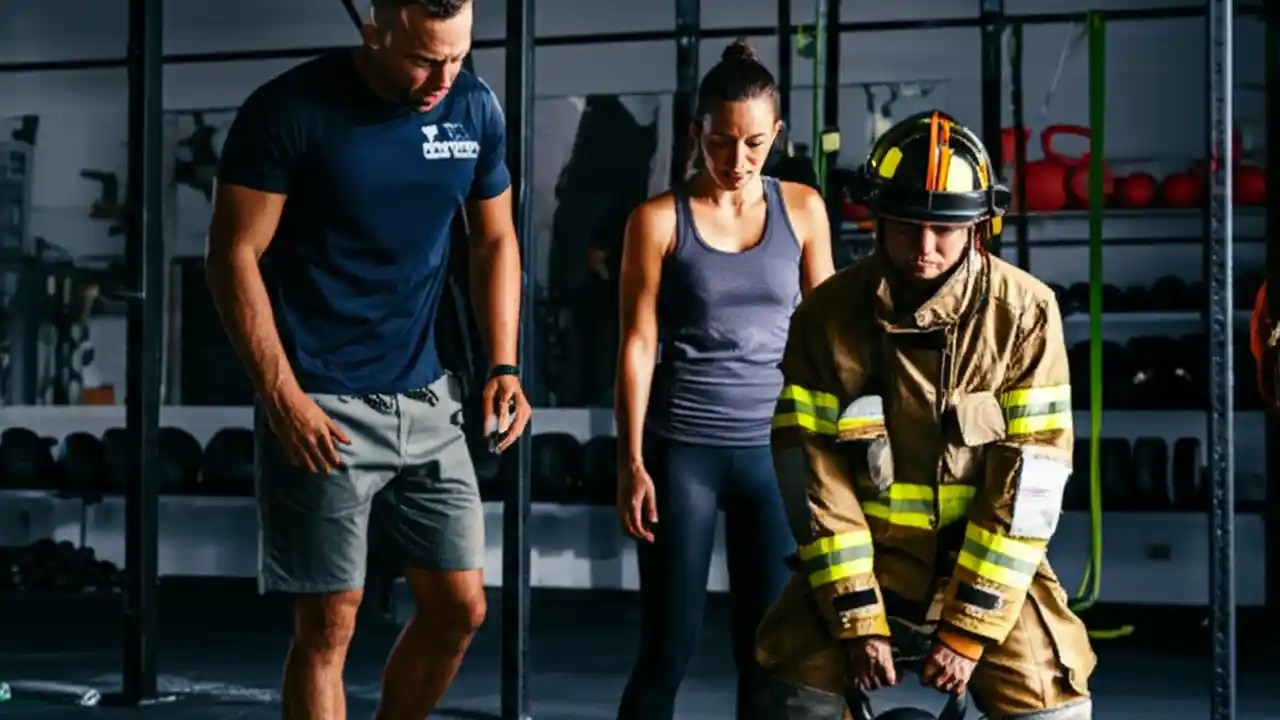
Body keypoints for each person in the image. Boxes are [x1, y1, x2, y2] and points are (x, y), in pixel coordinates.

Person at [204, 1, 532, 718]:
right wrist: (282, 396)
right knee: (330, 626)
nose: (444, 78)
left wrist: (504, 365)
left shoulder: (473, 106)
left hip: (430, 396)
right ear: (373, 33)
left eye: (457, 56)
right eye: (424, 59)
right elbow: (233, 255)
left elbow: (495, 239)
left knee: (460, 609)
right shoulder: (289, 110)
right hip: (322, 402)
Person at [750, 110, 1097, 719]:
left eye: (945, 229)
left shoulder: (1024, 314)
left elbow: (1027, 491)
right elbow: (814, 484)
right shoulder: (826, 316)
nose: (925, 248)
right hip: (863, 564)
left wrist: (967, 631)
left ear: (978, 228)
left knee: (1052, 704)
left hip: (981, 567)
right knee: (790, 694)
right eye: (909, 228)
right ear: (879, 221)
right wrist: (858, 621)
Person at [613, 38, 837, 720]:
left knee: (765, 654)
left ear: (777, 135)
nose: (737, 160)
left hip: (774, 452)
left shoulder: (803, 208)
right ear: (696, 134)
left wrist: (832, 448)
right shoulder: (657, 220)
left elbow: (825, 335)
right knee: (668, 648)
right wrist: (629, 461)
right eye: (720, 142)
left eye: (754, 144)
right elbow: (638, 342)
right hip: (684, 451)